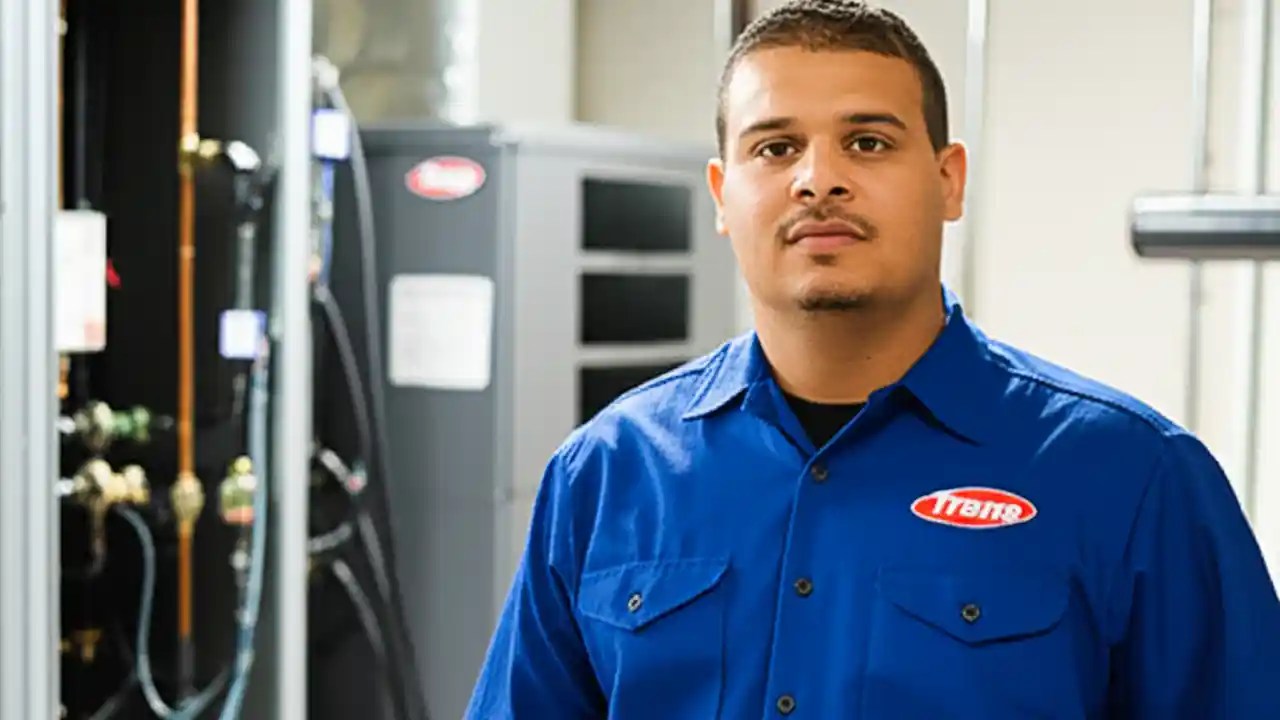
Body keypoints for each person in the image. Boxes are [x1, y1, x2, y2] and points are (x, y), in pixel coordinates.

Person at [465, 1, 1280, 717]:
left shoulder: (1131, 479)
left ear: (948, 179)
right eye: (775, 149)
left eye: (866, 141)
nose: (819, 181)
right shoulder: (606, 475)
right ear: (722, 194)